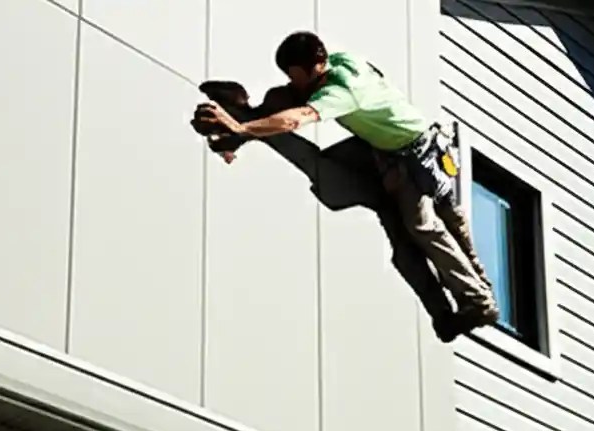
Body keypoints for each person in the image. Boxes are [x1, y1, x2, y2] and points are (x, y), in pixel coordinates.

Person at [194, 31, 500, 339]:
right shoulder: (339, 62)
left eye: (292, 75)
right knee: (406, 242)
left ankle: (478, 301)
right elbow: (287, 100)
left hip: (413, 157)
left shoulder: (343, 91)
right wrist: (242, 134)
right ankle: (450, 312)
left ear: (307, 69)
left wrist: (242, 127)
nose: (291, 81)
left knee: (424, 228)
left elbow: (295, 119)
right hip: (382, 151)